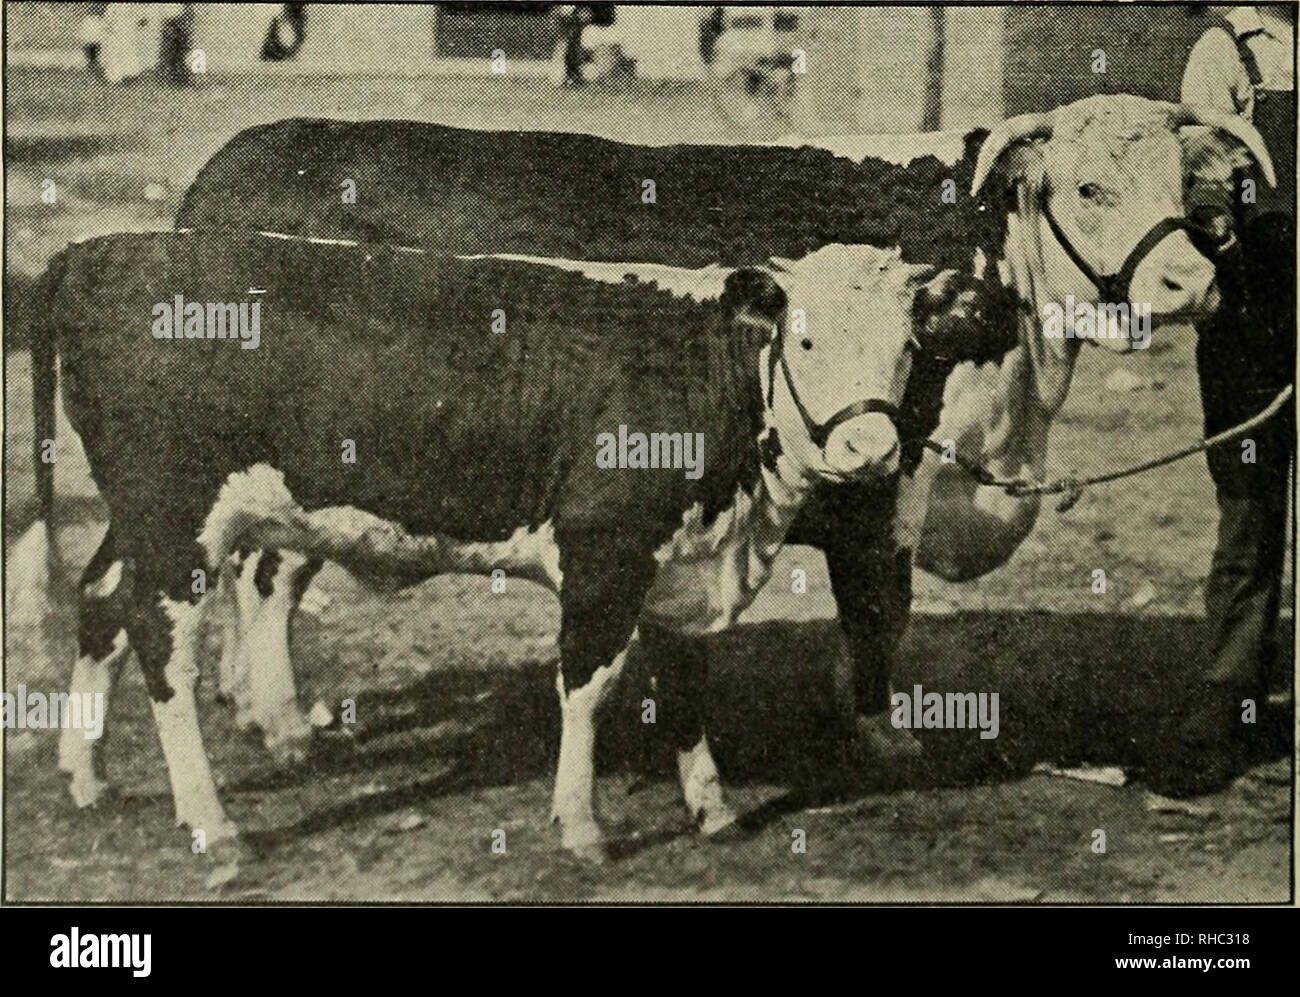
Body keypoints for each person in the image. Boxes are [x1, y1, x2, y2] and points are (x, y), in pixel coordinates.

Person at [1146, 5, 1295, 797]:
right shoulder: (1228, 51)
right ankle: (1231, 708)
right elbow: (1204, 175)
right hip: (1254, 324)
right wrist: (1220, 224)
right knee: (1249, 515)